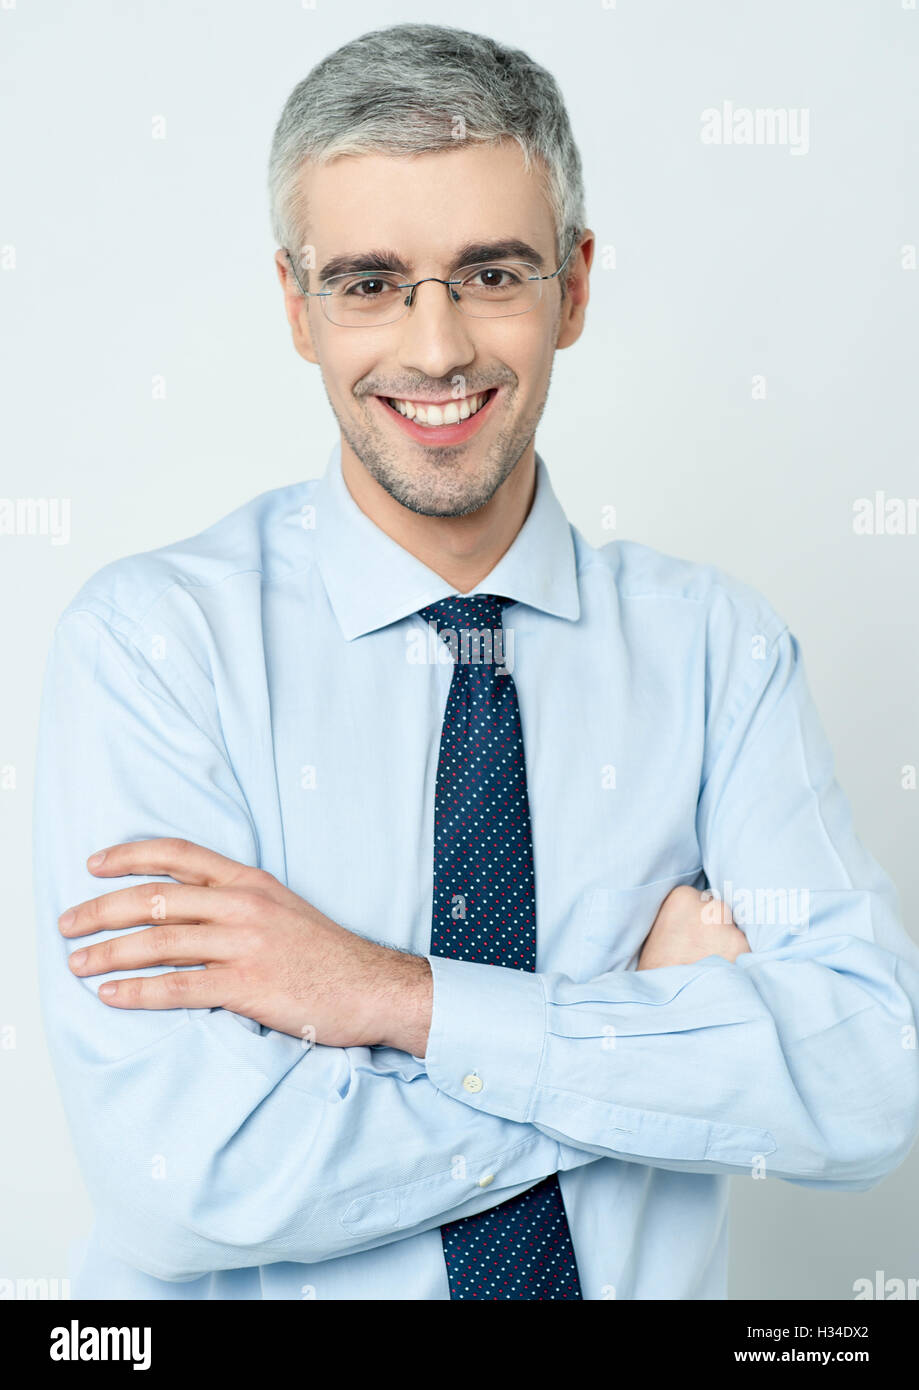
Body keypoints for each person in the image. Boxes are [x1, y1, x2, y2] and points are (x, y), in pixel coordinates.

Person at [34, 22, 919, 1301]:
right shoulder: (154, 647)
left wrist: (396, 1000)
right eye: (370, 281)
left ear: (576, 282)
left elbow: (866, 1081)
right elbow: (192, 1181)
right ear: (296, 305)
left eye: (491, 273)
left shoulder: (718, 652)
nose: (437, 348)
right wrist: (632, 1025)